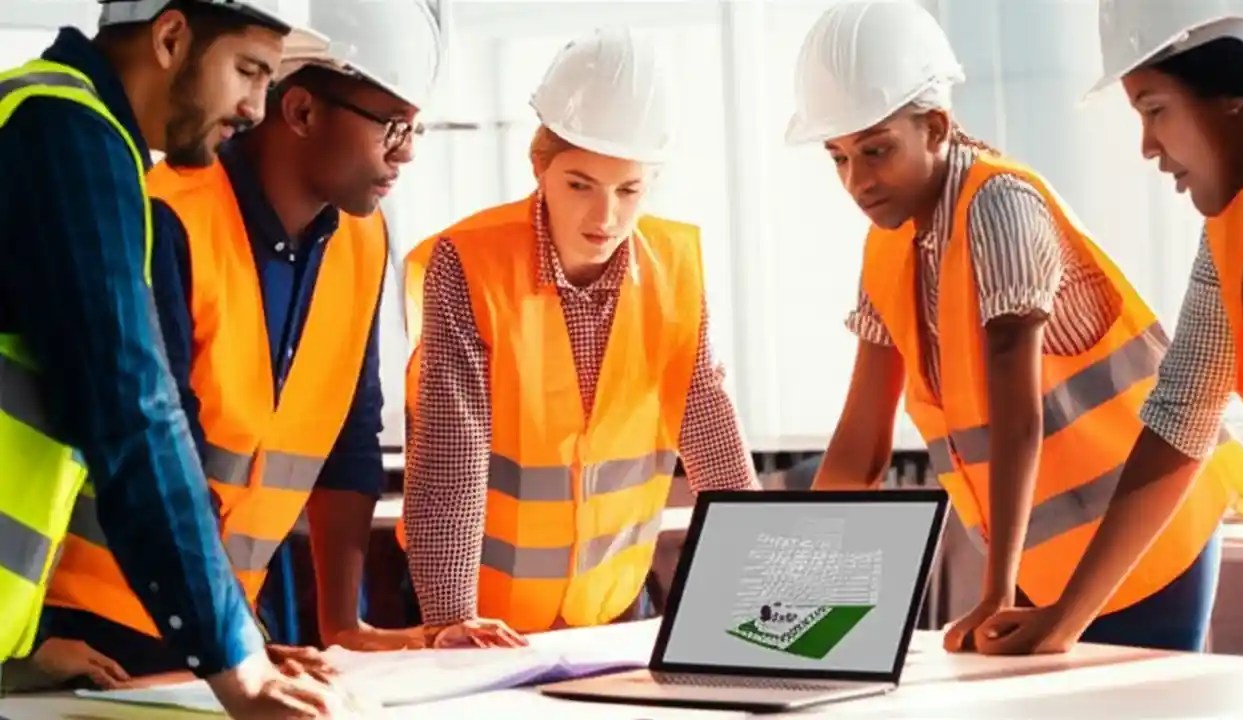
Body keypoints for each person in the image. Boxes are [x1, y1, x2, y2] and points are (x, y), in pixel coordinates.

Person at [791, 0, 1243, 654]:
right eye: (838, 157)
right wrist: (799, 588)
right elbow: (859, 445)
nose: (857, 181)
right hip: (1058, 568)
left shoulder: (1000, 204)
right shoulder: (1233, 228)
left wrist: (1005, 590)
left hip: (1145, 546)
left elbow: (1020, 418)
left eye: (1154, 109)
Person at [30, 0, 442, 684]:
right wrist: (235, 652)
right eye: (393, 127)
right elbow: (149, 431)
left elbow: (349, 436)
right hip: (91, 620)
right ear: (304, 111)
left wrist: (332, 626)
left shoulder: (362, 240)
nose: (407, 153)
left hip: (213, 622)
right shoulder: (156, 205)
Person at [399, 27, 759, 649]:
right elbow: (451, 448)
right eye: (579, 185)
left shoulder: (676, 267)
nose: (606, 217)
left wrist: (763, 578)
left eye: (629, 190)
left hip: (614, 606)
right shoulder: (470, 263)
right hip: (482, 614)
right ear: (540, 166)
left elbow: (707, 425)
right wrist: (449, 618)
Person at [977, 0, 1243, 656]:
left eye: (1154, 109)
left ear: (1227, 86)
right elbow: (1184, 412)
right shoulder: (1237, 224)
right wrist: (1067, 618)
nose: (1147, 147)